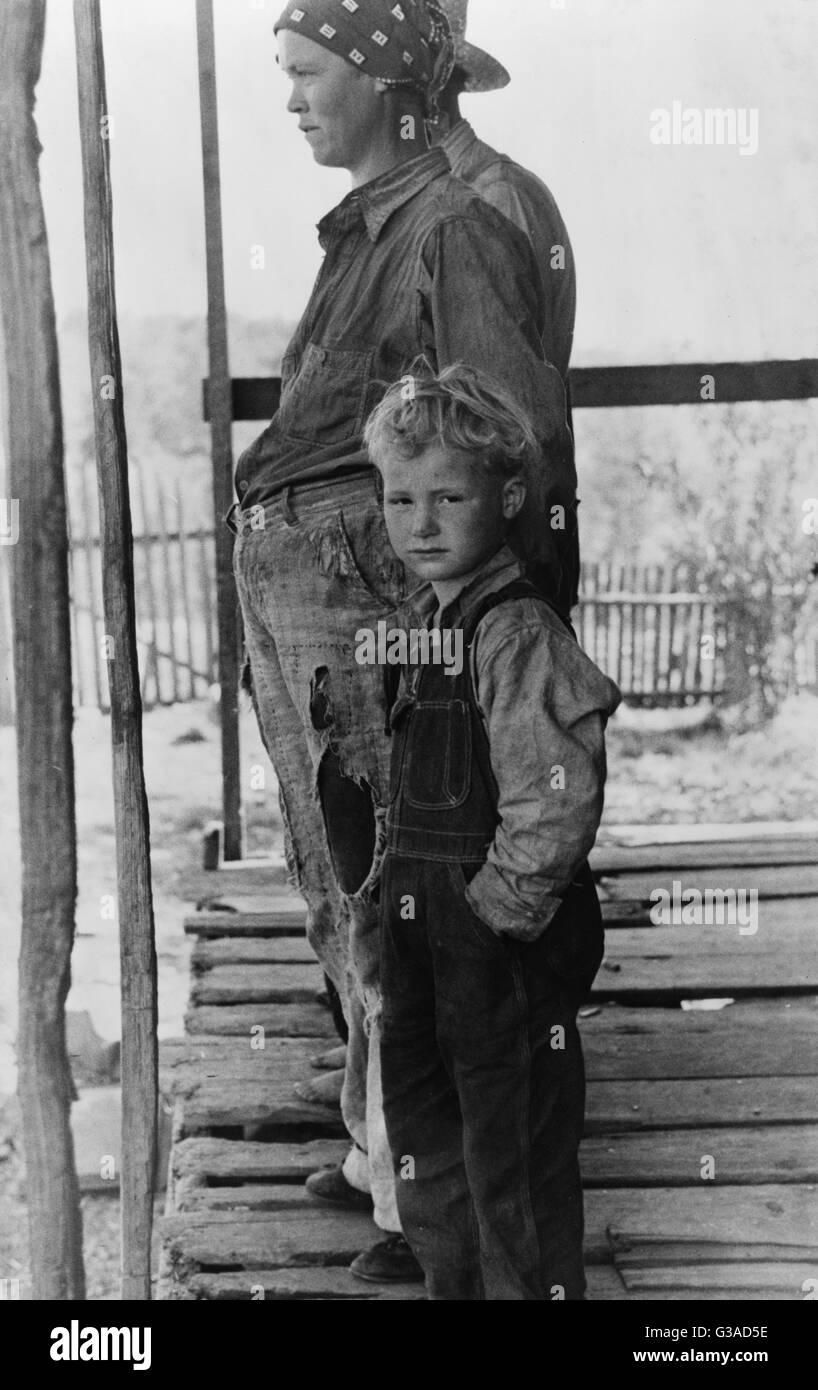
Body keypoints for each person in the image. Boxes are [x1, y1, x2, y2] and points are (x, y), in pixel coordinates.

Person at [231, 0, 574, 1282]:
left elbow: (507, 449)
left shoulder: (458, 224)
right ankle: (389, 1156)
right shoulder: (377, 225)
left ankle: (418, 1203)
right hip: (326, 600)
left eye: (309, 72)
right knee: (346, 877)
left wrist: (486, 656)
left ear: (382, 78)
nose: (292, 98)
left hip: (382, 612)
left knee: (393, 886)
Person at [364, 360, 621, 1299]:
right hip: (419, 941)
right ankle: (452, 1286)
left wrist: (493, 913)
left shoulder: (516, 636)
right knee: (428, 1143)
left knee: (510, 1149)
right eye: (399, 499)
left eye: (447, 496)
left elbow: (555, 796)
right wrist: (386, 912)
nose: (420, 522)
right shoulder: (421, 631)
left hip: (495, 946)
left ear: (508, 498)